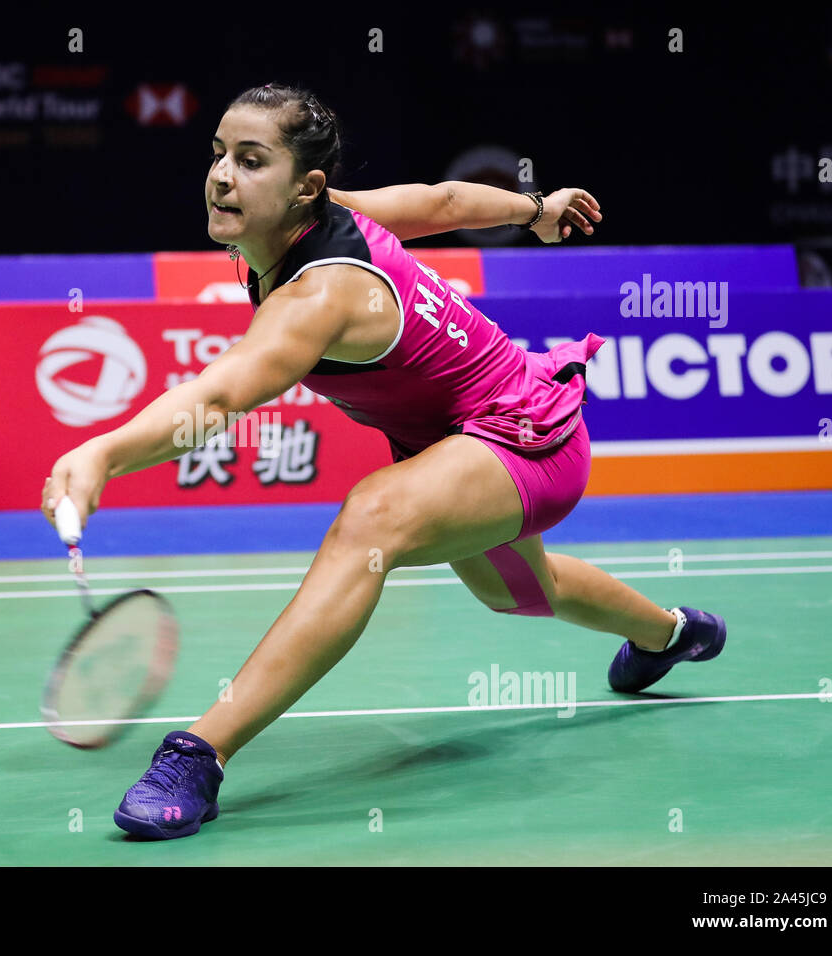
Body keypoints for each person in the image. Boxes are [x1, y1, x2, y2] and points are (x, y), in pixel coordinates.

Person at [41, 84, 726, 840]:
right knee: (525, 589)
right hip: (451, 444)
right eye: (218, 154)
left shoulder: (320, 293)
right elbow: (441, 205)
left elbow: (225, 392)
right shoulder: (297, 226)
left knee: (370, 521)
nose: (222, 176)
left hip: (526, 432)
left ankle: (200, 752)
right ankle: (673, 633)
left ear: (307, 187)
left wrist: (106, 451)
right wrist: (535, 209)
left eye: (250, 160)